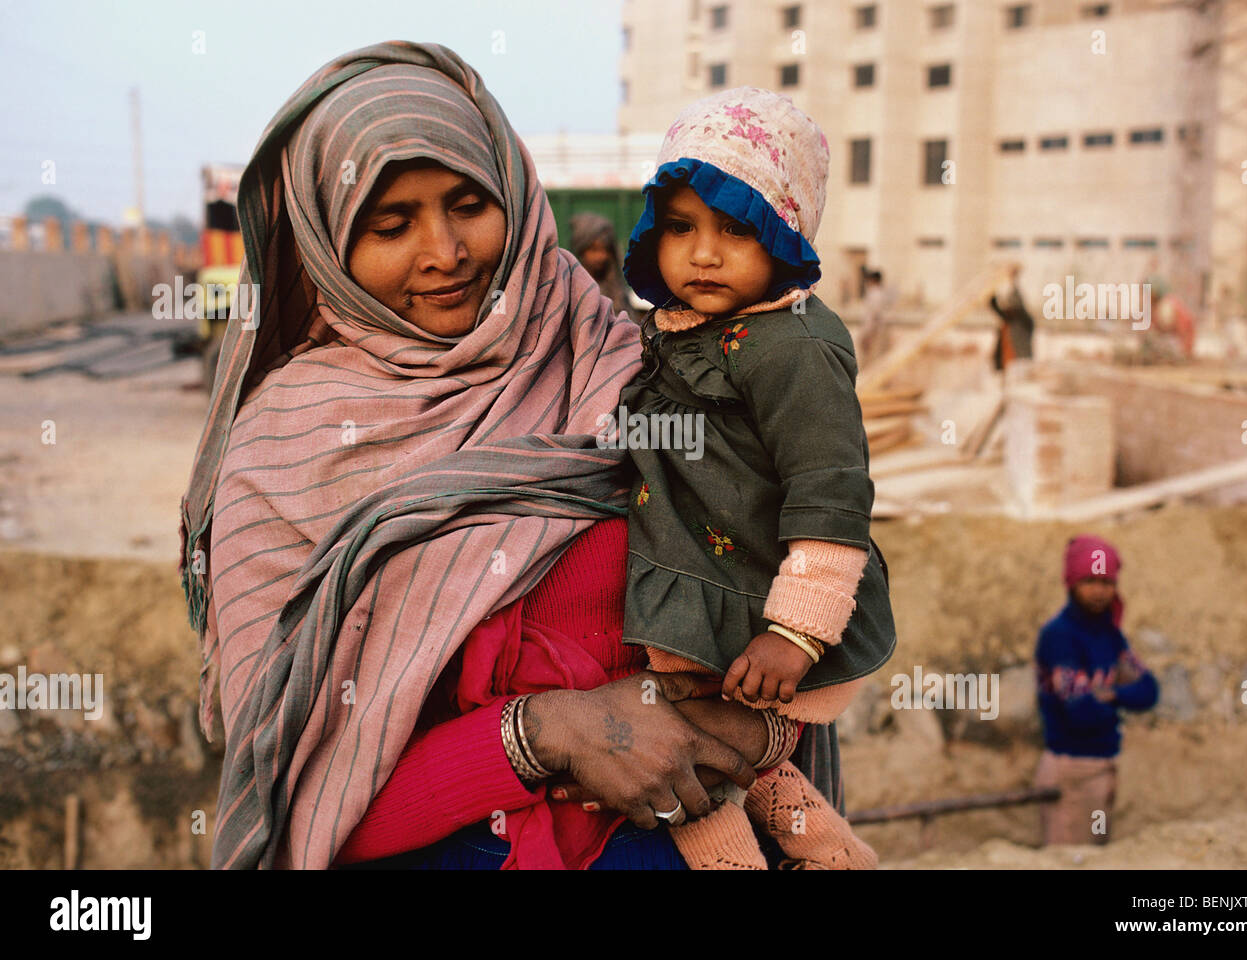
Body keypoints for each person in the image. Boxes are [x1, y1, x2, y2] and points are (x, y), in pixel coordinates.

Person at [178, 42, 841, 871]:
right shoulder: (282, 461)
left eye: (469, 204)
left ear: (518, 197)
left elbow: (789, 590)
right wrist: (542, 735)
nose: (446, 252)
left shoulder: (635, 366)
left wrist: (749, 722)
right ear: (324, 242)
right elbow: (311, 805)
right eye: (391, 226)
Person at [617, 87, 897, 869]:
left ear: (785, 231)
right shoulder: (682, 326)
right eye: (680, 228)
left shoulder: (791, 349)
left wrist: (795, 632)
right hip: (698, 591)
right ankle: (836, 856)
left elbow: (832, 496)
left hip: (754, 615)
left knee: (693, 765)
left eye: (736, 228)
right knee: (743, 768)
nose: (702, 253)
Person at [1033, 535, 1158, 846]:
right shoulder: (1060, 635)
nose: (1099, 590)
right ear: (1072, 582)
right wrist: (1113, 698)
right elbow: (1081, 712)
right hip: (1071, 774)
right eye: (1089, 580)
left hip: (1102, 772)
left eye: (1106, 581)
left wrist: (1112, 695)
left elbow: (1149, 691)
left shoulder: (1110, 635)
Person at [569, 212, 642, 322]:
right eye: (594, 250)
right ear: (581, 251)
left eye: (605, 250)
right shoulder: (572, 289)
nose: (601, 256)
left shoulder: (616, 290)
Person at [989, 263, 1034, 375]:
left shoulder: (1018, 320)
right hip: (1013, 358)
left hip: (1017, 359)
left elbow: (1009, 307)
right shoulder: (1011, 320)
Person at [853, 269, 887, 370]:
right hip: (871, 330)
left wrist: (868, 335)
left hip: (871, 332)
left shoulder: (875, 295)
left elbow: (875, 317)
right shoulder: (877, 294)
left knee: (870, 361)